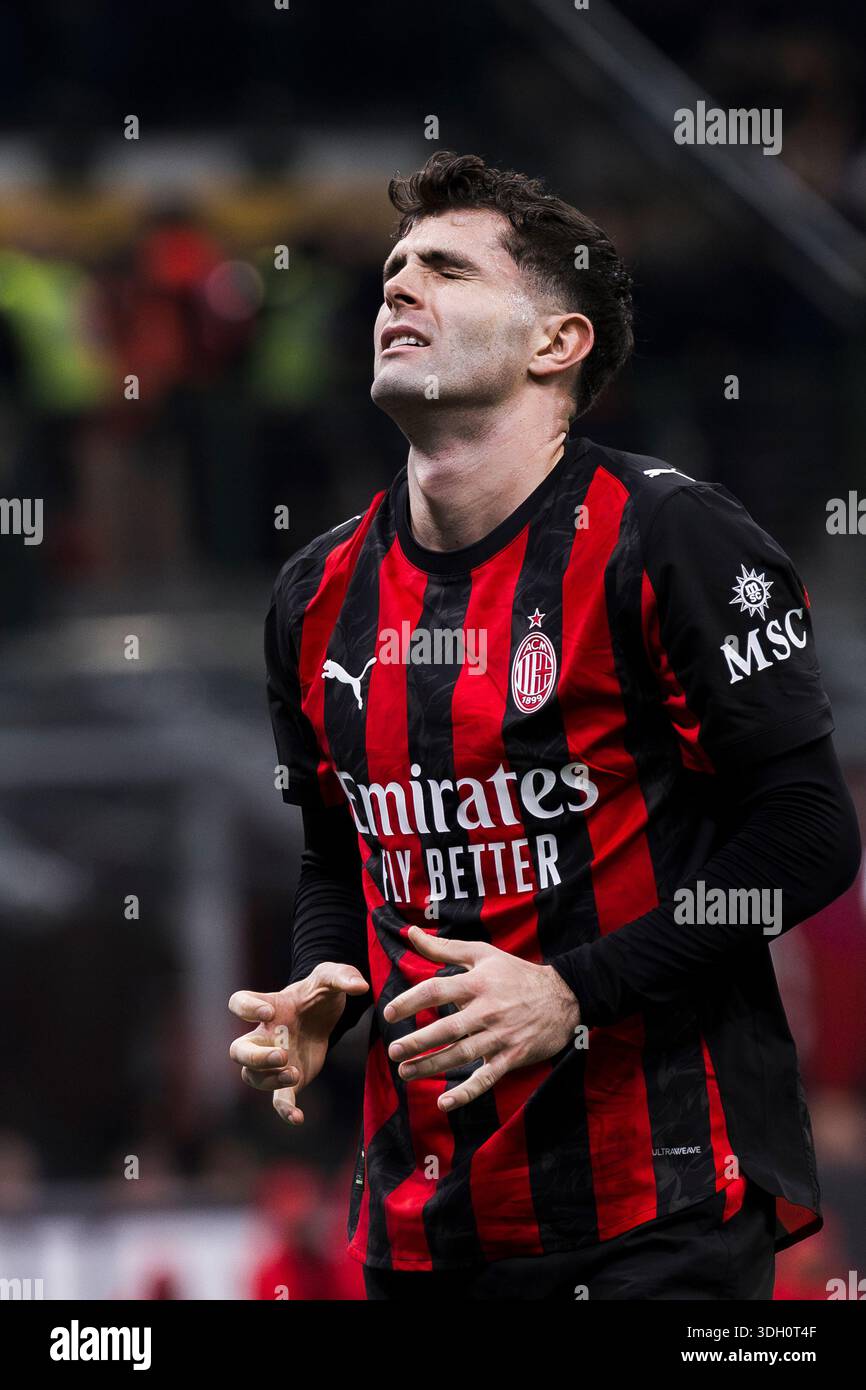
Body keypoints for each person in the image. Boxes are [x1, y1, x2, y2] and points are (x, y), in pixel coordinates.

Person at [229, 152, 860, 1300]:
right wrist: (325, 974)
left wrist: (574, 989)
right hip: (421, 1225)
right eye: (392, 270)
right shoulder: (314, 593)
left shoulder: (670, 538)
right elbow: (335, 848)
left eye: (445, 268)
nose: (397, 289)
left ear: (555, 345)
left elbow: (808, 838)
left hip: (657, 1207)